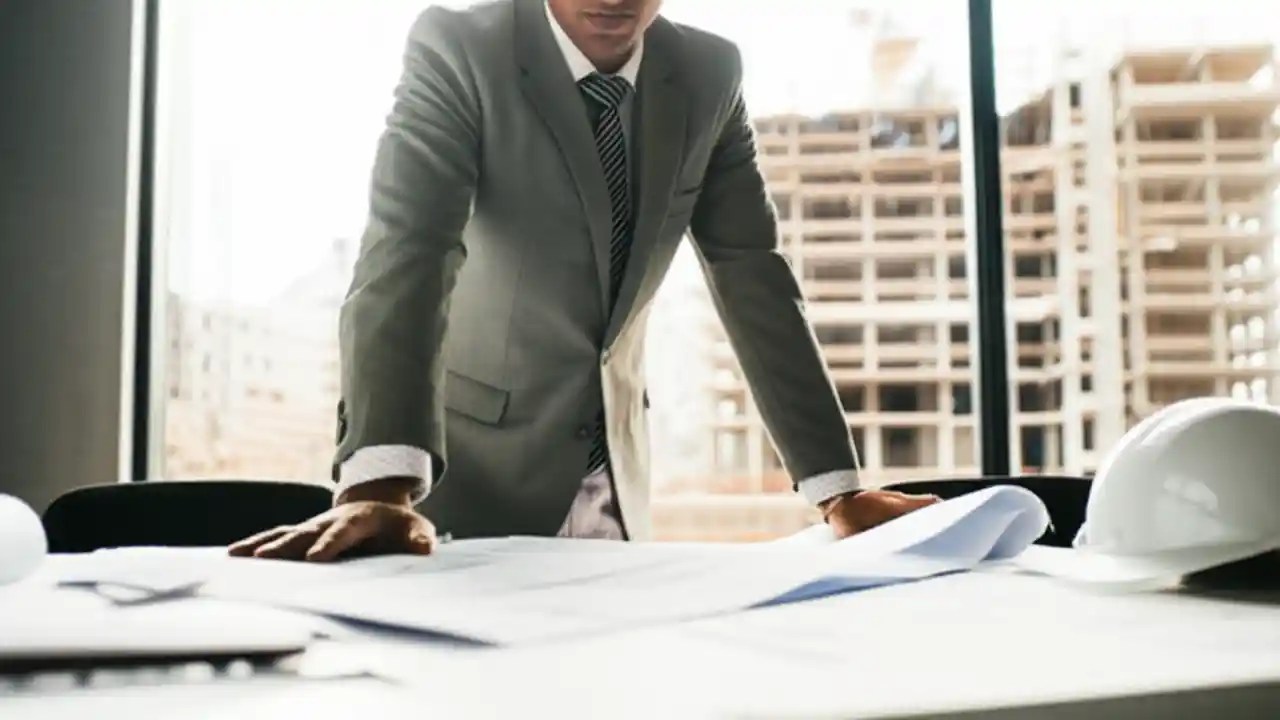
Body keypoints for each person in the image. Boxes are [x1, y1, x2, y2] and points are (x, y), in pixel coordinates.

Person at [229, 0, 939, 562]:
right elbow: (409, 248)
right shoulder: (460, 48)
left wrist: (838, 492)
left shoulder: (709, 73)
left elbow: (753, 273)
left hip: (617, 492)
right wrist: (382, 484)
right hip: (460, 493)